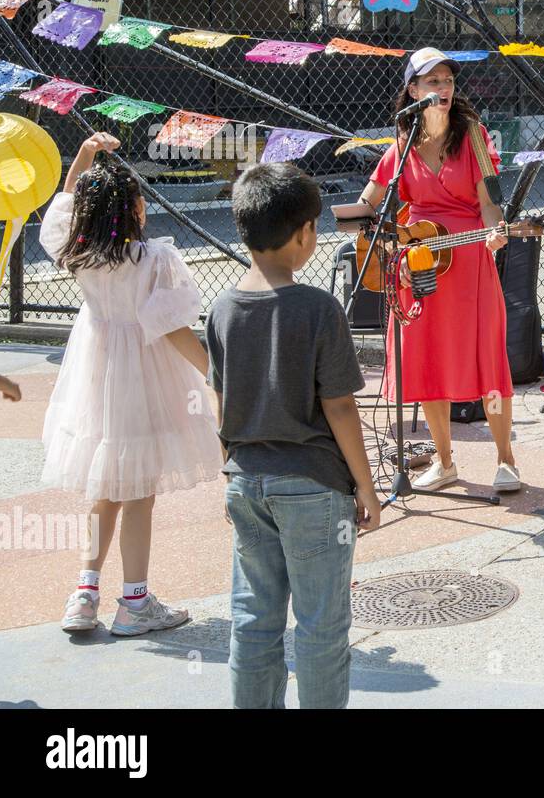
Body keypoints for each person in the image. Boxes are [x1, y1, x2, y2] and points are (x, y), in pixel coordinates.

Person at [207, 162, 381, 708]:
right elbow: (340, 406)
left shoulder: (222, 309)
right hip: (313, 487)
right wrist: (366, 487)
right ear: (305, 233)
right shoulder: (318, 307)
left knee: (253, 620)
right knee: (321, 626)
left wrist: (229, 470)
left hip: (246, 480)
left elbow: (222, 402)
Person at [40, 132, 223, 635]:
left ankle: (85, 592)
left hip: (95, 373)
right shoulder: (153, 260)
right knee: (139, 487)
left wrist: (81, 156)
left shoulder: (77, 254)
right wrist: (214, 373)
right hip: (144, 376)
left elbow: (62, 209)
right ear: (136, 208)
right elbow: (172, 328)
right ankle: (135, 604)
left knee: (106, 483)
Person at [357, 47, 518, 493]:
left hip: (470, 262)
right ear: (413, 90)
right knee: (427, 359)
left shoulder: (476, 136)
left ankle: (506, 460)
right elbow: (368, 205)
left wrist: (496, 231)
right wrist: (386, 246)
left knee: (488, 356)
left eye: (447, 80)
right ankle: (444, 462)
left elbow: (490, 202)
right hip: (419, 261)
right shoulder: (401, 145)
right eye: (432, 81)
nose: (443, 88)